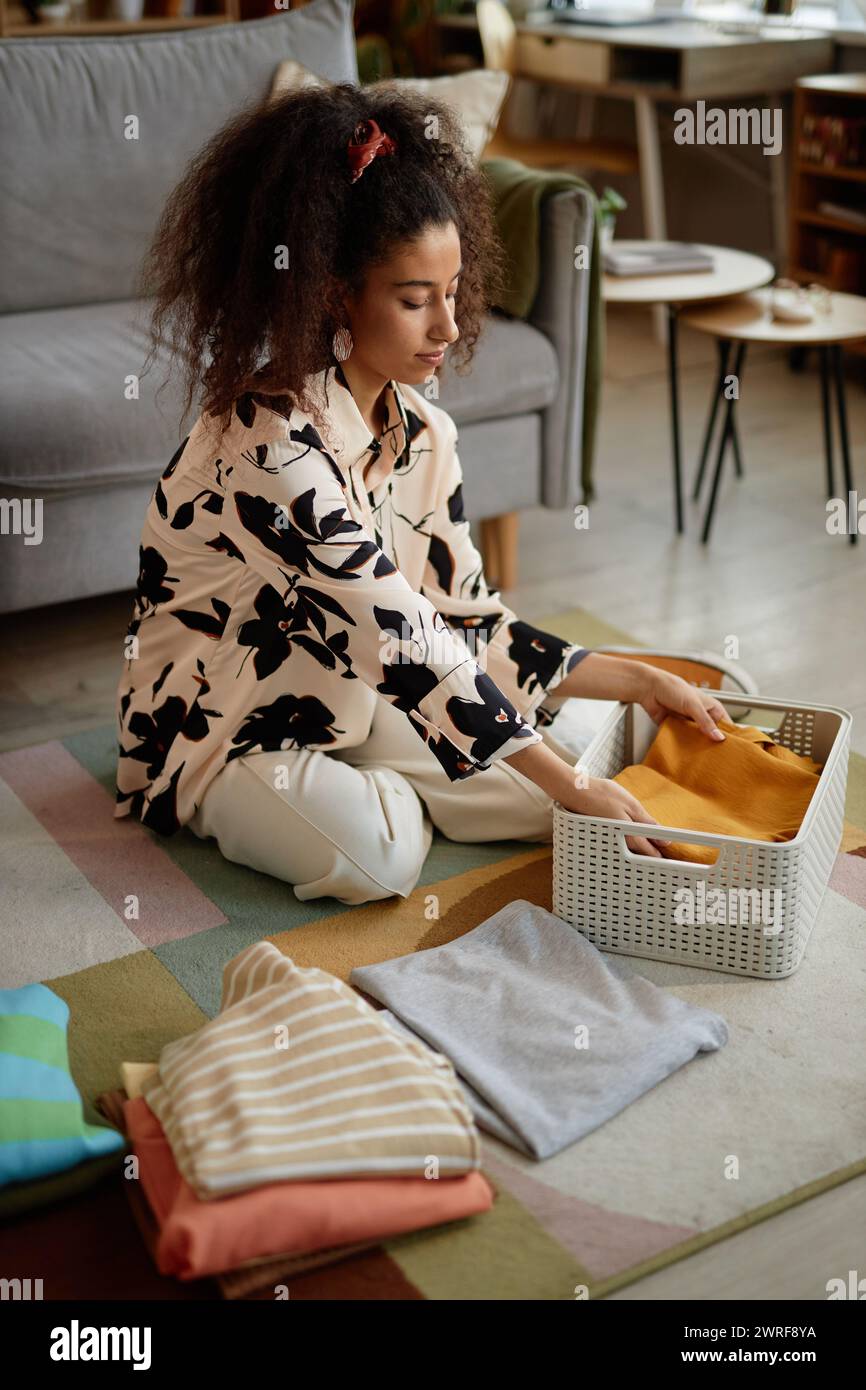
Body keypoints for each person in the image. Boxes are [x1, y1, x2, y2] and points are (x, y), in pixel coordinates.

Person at [113, 82, 726, 906]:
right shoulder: (263, 446)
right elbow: (400, 632)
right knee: (386, 858)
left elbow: (467, 618)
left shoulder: (427, 436)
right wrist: (559, 781)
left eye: (452, 290)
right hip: (226, 730)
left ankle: (425, 774)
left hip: (361, 702)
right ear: (336, 295)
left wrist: (638, 680)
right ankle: (400, 799)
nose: (447, 327)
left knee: (561, 776)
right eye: (413, 301)